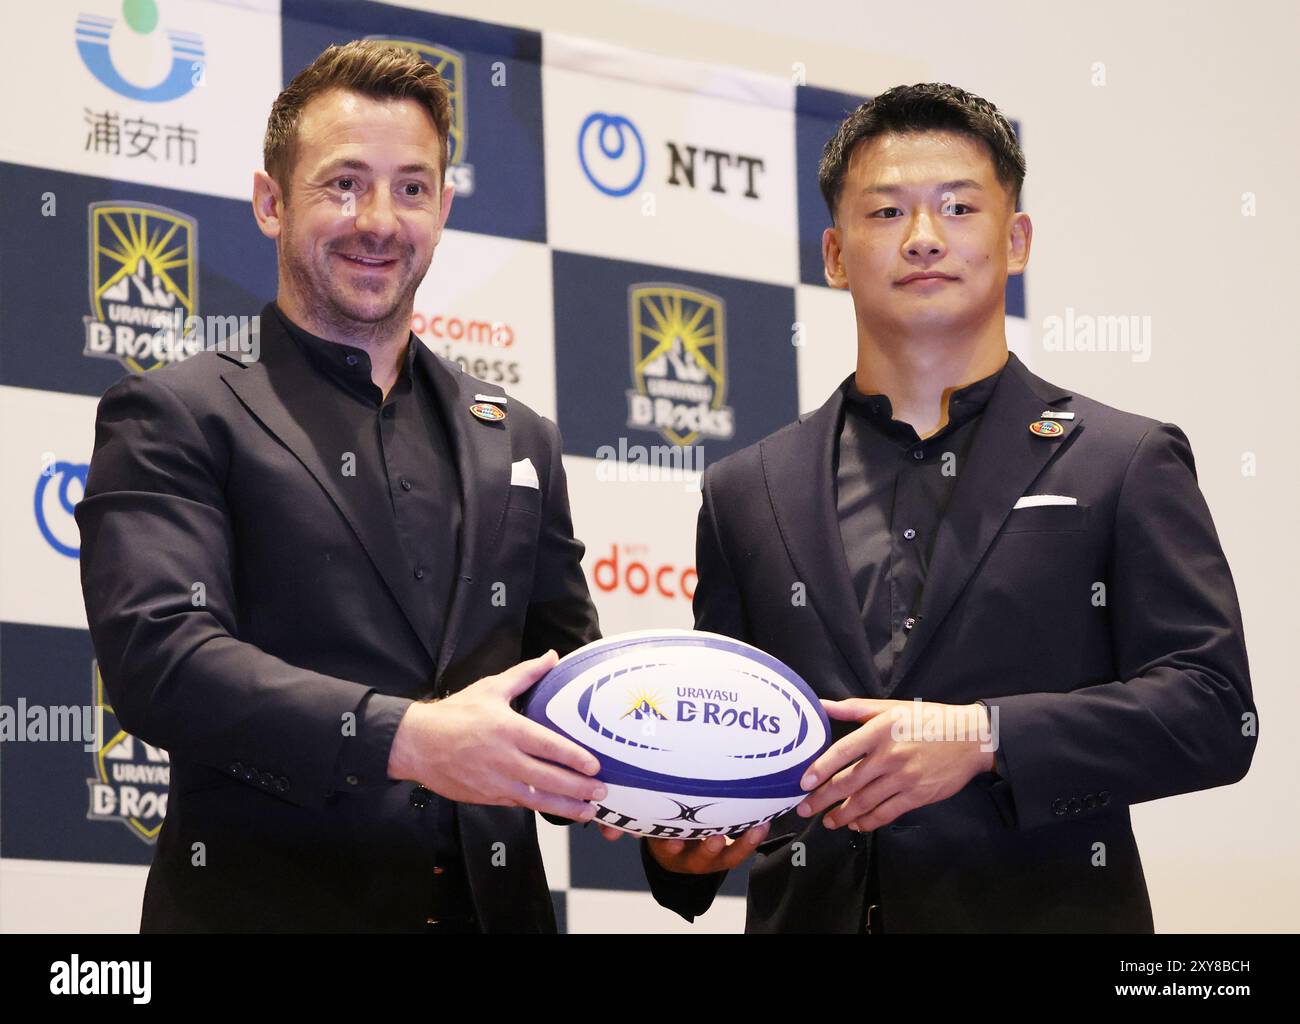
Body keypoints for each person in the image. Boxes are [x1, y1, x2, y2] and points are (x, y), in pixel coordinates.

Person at [622, 83, 1257, 932]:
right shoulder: (748, 488)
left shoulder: (1123, 460)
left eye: (958, 206)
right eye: (886, 213)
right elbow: (729, 734)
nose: (924, 239)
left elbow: (1214, 711)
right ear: (836, 254)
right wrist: (682, 838)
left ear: (1016, 239)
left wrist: (985, 736)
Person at [76, 40, 604, 934]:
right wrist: (407, 738)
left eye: (410, 188)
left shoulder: (519, 439)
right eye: (343, 183)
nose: (379, 220)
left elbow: (564, 692)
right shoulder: (176, 412)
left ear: (442, 205)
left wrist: (669, 809)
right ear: (271, 202)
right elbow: (160, 658)